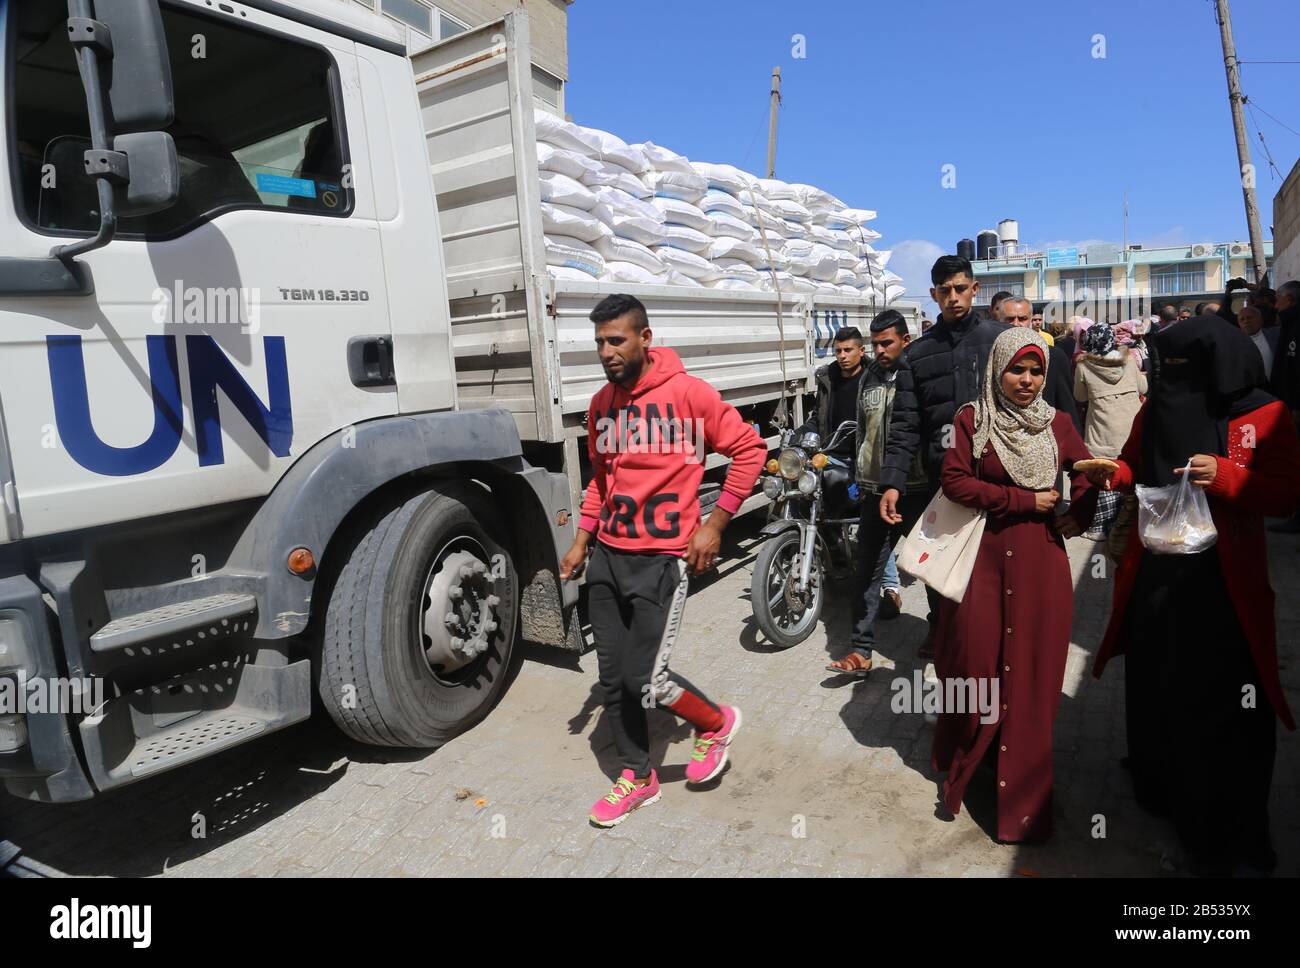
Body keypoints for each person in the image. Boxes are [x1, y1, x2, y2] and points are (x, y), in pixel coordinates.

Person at [1086, 315, 1300, 873]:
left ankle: (1232, 831)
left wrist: (1227, 476)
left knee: (1230, 706)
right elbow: (1134, 462)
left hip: (1225, 591)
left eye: (1180, 368)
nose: (1169, 378)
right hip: (1158, 580)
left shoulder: (1264, 414)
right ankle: (1169, 795)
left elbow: (1284, 497)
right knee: (1164, 690)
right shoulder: (1157, 407)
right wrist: (1110, 473)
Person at [559, 294, 765, 827]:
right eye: (599, 341)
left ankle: (716, 723)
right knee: (612, 680)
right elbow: (602, 480)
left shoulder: (690, 395)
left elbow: (749, 451)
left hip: (661, 560)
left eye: (617, 340)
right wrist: (583, 540)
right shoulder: (602, 404)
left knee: (645, 680)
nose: (606, 351)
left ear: (645, 338)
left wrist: (714, 523)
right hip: (607, 558)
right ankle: (638, 776)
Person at [931, 327, 1097, 843]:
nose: (1026, 381)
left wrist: (1082, 510)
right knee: (973, 663)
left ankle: (1023, 803)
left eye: (1036, 371)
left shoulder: (1058, 423)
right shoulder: (972, 420)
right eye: (1016, 369)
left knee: (1029, 674)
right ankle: (968, 761)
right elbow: (954, 480)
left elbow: (1089, 470)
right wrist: (1025, 502)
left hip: (1039, 565)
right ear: (997, 369)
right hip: (981, 561)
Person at [878, 255, 1007, 657]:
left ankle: (996, 634)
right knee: (940, 561)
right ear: (934, 295)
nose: (953, 297)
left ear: (974, 289)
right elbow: (905, 424)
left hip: (999, 474)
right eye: (944, 291)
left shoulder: (1001, 340)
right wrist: (892, 482)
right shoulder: (917, 355)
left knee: (993, 563)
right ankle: (941, 628)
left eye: (960, 288)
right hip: (943, 478)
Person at [827, 310, 927, 676]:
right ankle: (861, 651)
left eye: (887, 342)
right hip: (871, 490)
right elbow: (862, 430)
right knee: (866, 571)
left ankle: (941, 635)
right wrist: (857, 473)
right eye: (876, 344)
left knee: (927, 569)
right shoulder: (868, 377)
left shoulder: (916, 375)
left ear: (905, 340)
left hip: (914, 491)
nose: (880, 350)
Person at [1073, 321, 1146, 537]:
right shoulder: (1130, 361)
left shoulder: (1083, 365)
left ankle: (1102, 529)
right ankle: (1131, 526)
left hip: (1102, 431)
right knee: (1130, 475)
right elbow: (1144, 388)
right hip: (1132, 427)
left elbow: (1080, 396)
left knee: (1104, 475)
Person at [1002, 297, 1081, 429]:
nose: (1016, 324)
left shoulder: (1054, 357)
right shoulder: (989, 355)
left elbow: (1067, 407)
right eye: (1010, 319)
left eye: (1022, 319)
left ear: (1030, 321)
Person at [797, 327, 866, 459]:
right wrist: (797, 436)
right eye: (838, 351)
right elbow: (818, 419)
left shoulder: (872, 381)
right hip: (829, 456)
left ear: (861, 351)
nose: (842, 356)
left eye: (848, 350)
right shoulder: (827, 379)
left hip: (861, 460)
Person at [1267, 279, 1300, 533]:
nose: (1275, 306)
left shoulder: (1296, 326)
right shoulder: (1288, 324)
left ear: (1288, 300)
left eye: (1278, 300)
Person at [1237, 303, 1277, 375]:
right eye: (1242, 319)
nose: (1246, 321)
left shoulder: (1275, 334)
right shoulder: (1234, 344)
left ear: (1260, 320)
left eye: (1249, 317)